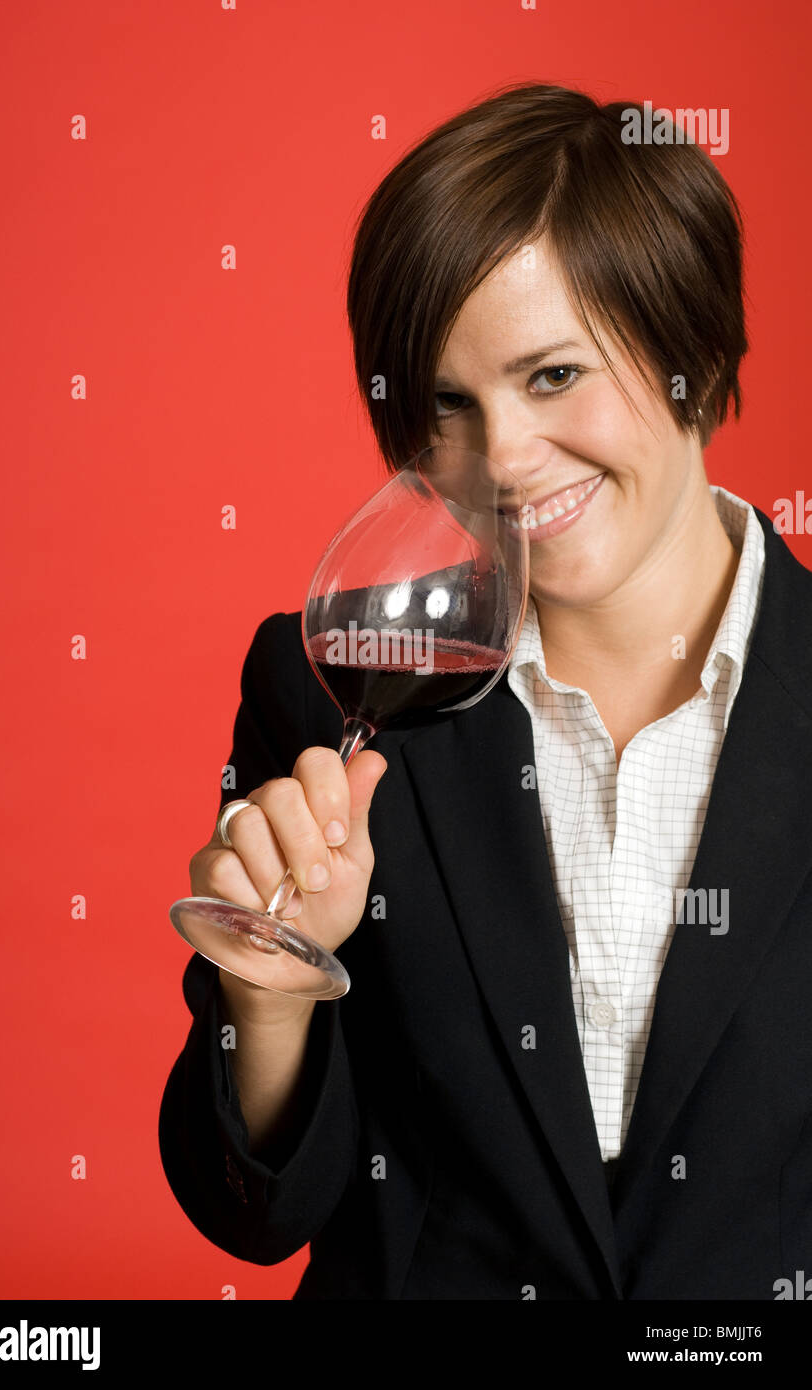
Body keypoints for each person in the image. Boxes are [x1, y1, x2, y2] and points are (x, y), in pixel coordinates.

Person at [158, 82, 812, 1299]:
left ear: (694, 345)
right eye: (447, 404)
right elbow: (249, 1211)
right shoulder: (326, 694)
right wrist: (270, 994)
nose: (500, 461)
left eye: (552, 375)